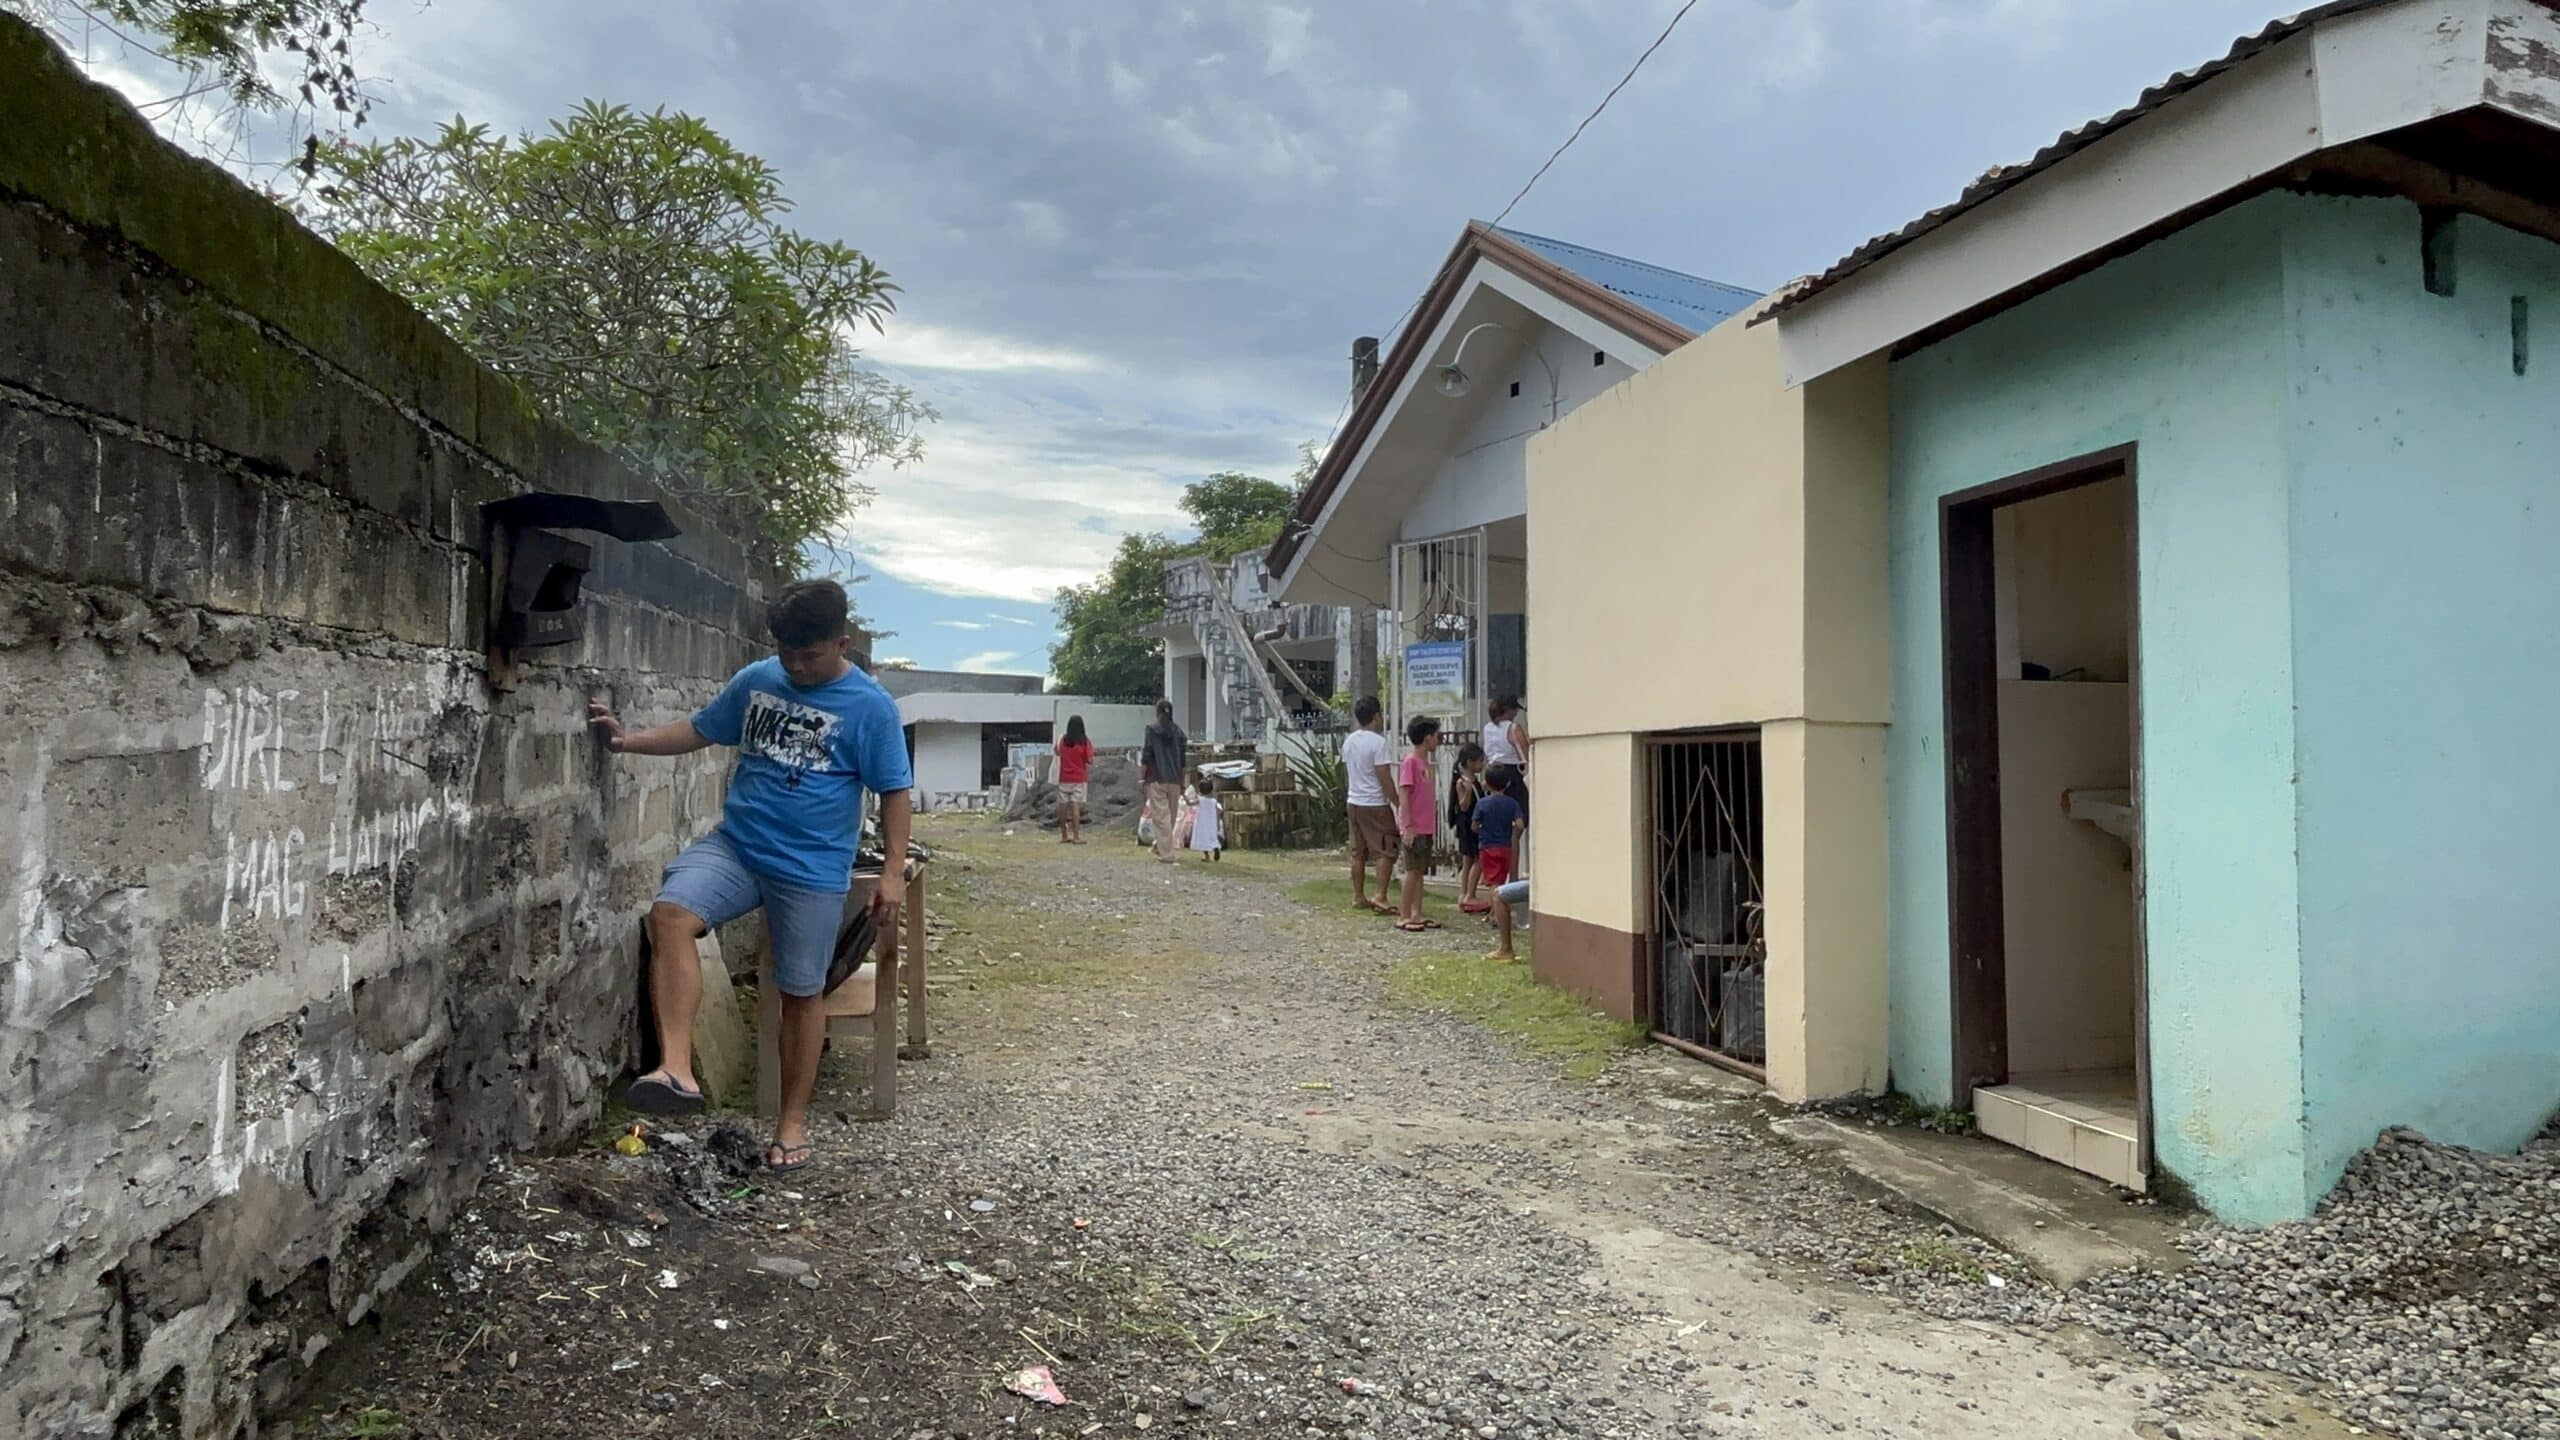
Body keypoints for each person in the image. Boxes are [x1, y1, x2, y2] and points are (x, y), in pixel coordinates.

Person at [587, 578, 911, 1173]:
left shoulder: (870, 709)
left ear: (840, 643)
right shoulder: (759, 679)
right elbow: (701, 729)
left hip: (811, 869)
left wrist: (892, 872)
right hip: (738, 848)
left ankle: (791, 1123)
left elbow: (894, 792)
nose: (795, 664)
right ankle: (677, 1071)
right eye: (787, 652)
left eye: (809, 655)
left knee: (800, 992)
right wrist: (629, 741)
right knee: (671, 915)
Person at [1341, 697, 1398, 914]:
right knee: (1386, 849)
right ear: (1376, 716)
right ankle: (1380, 895)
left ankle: (1358, 895)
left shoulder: (1350, 741)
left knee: (1358, 851)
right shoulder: (1378, 743)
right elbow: (1383, 775)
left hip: (1354, 800)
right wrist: (1396, 801)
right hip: (1374, 802)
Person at [1395, 715, 1444, 932]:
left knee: (1420, 871)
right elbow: (1404, 794)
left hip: (1426, 825)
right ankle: (1404, 914)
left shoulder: (1426, 764)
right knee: (1412, 870)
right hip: (1414, 826)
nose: (1438, 739)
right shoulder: (1410, 762)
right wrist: (1407, 826)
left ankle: (1417, 911)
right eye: (1435, 735)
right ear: (1427, 738)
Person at [1474, 763, 1528, 961]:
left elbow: (1474, 825)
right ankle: (1496, 912)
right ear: (1507, 783)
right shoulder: (1512, 803)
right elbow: (1521, 824)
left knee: (1493, 884)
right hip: (1506, 847)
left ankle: (1497, 915)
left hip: (1487, 846)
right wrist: (1514, 834)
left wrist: (1482, 831)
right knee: (1503, 880)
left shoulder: (1482, 804)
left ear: (1486, 783)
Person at [1141, 699, 1187, 865]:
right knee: (1171, 817)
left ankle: (1167, 854)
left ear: (1157, 712)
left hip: (1157, 777)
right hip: (1175, 779)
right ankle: (1158, 845)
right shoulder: (1179, 733)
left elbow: (1147, 755)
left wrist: (1142, 778)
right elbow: (1183, 761)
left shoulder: (1151, 730)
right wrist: (1183, 782)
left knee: (1161, 818)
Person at [1483, 696, 1531, 848]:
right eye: (1514, 709)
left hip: (1492, 772)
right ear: (1507, 710)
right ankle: (1513, 868)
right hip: (1511, 773)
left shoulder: (1487, 728)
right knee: (1519, 823)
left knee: (1498, 822)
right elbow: (1525, 753)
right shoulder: (1513, 728)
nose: (1516, 713)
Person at [1448, 742, 1489, 914]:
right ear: (1470, 762)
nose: (1482, 765)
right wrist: (1469, 791)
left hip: (1471, 822)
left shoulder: (1475, 780)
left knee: (1468, 859)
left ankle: (1464, 893)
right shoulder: (1461, 782)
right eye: (1480, 761)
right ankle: (1468, 893)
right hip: (1468, 824)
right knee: (1475, 858)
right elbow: (1463, 805)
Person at [1053, 714, 1094, 845]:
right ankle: (1076, 836)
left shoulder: (1063, 740)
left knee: (1063, 807)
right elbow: (1090, 760)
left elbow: (1056, 751)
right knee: (1076, 806)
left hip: (1063, 777)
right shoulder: (1084, 742)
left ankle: (1064, 835)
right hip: (1078, 778)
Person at [1189, 772, 1225, 862]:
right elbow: (1219, 811)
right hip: (1211, 824)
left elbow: (1189, 803)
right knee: (1212, 838)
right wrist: (1218, 823)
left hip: (1201, 823)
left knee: (1203, 839)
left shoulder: (1200, 800)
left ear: (1200, 790)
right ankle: (1216, 847)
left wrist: (1183, 796)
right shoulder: (1214, 801)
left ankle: (1206, 855)